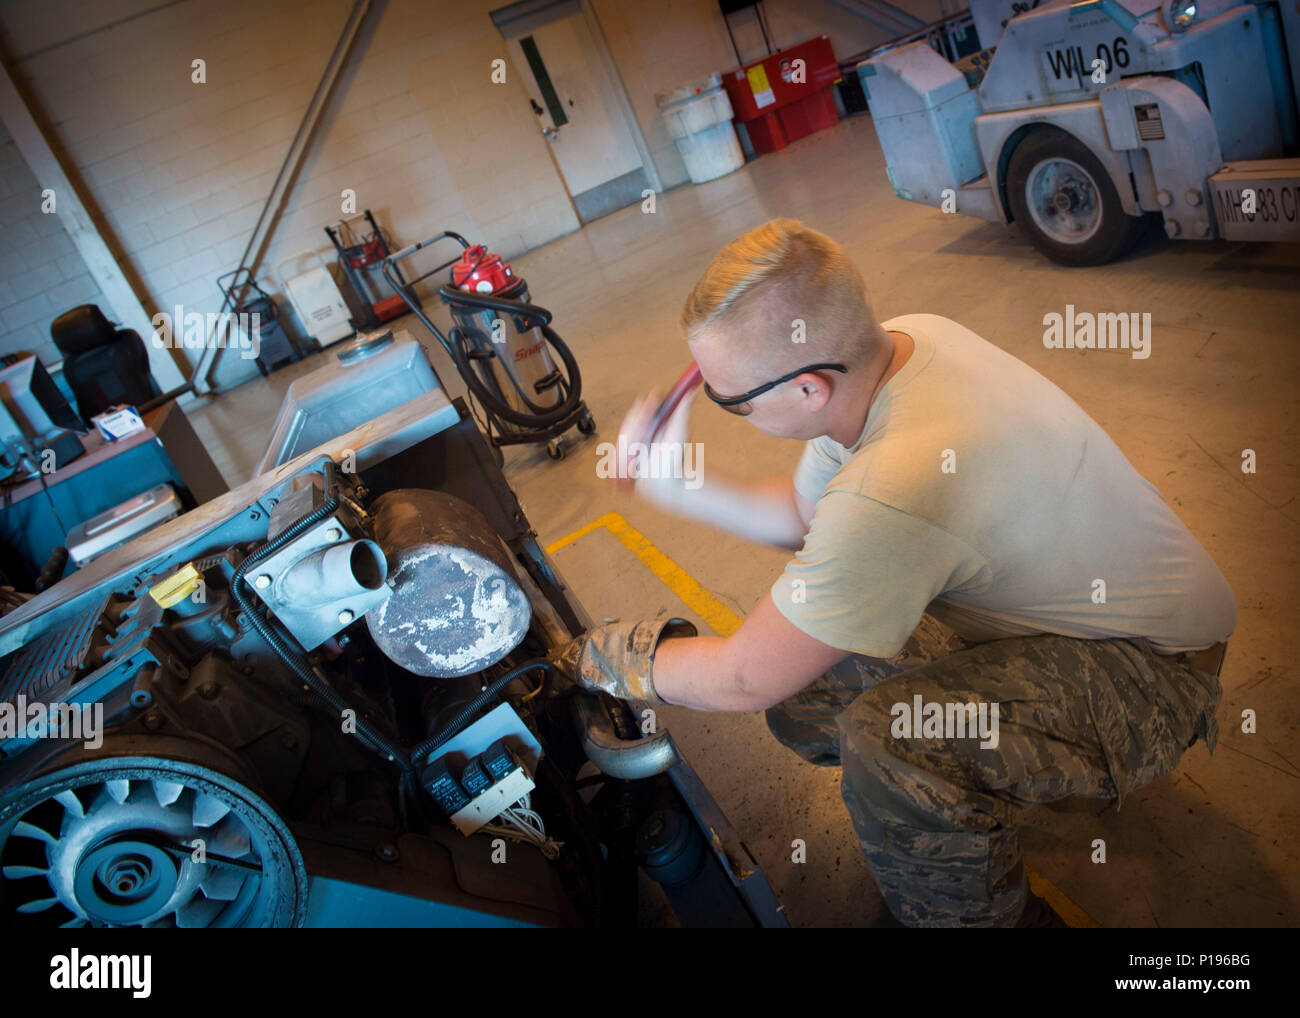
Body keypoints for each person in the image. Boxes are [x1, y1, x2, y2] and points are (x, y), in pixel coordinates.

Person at [550, 218, 1236, 928]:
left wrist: (605, 657)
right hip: (1080, 615)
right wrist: (677, 486)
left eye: (732, 400)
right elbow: (802, 515)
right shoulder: (900, 342)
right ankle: (965, 808)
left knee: (889, 745)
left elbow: (743, 678)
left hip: (1158, 675)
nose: (729, 411)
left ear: (810, 389)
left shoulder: (897, 483)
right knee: (812, 692)